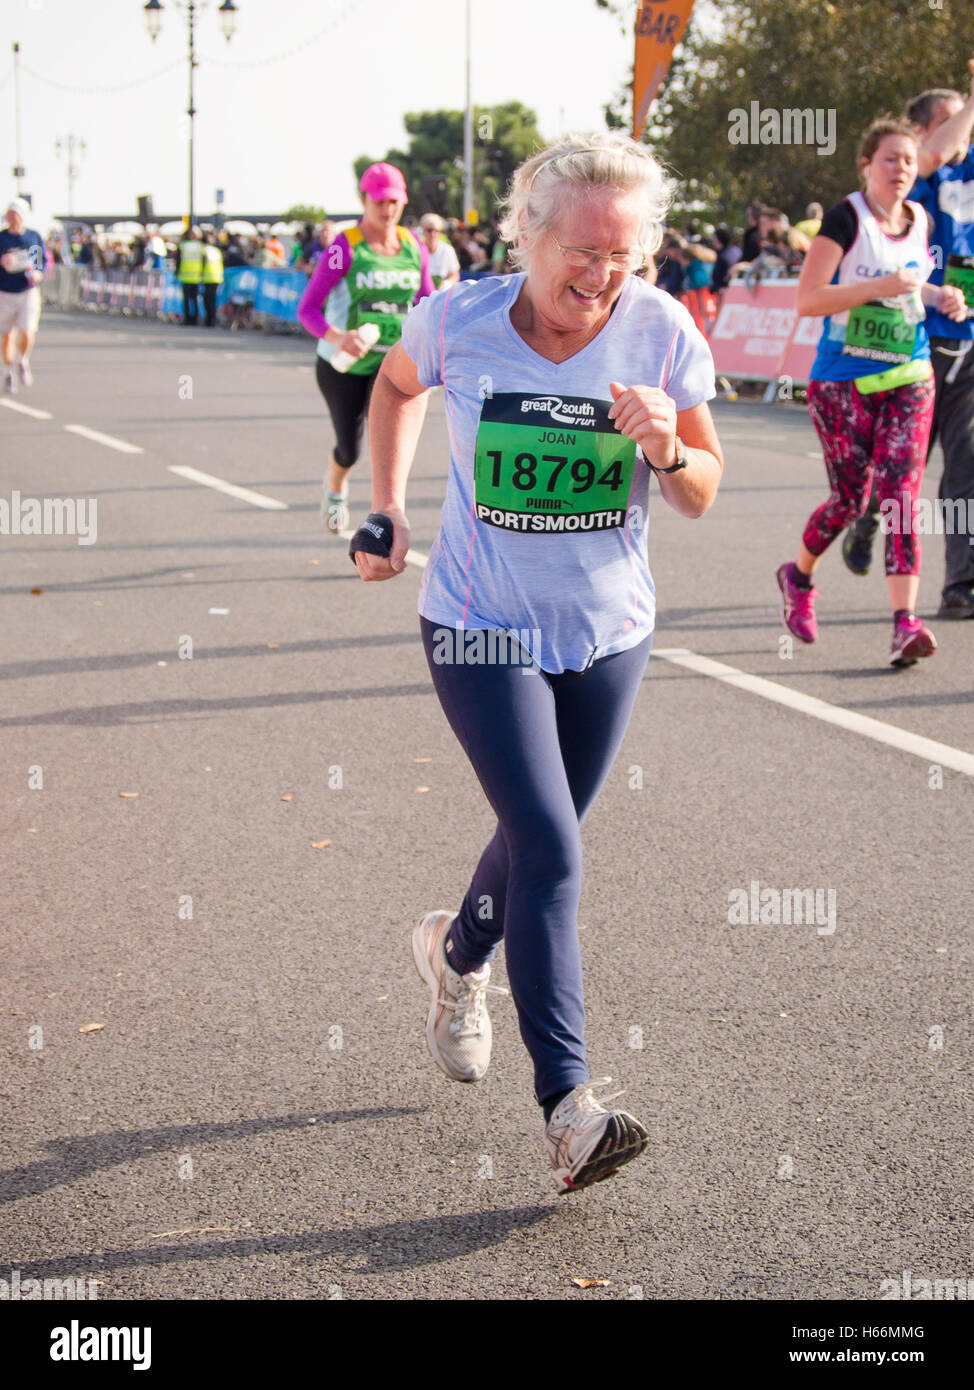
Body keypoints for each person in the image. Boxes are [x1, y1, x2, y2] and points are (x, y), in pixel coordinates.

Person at [351, 133, 722, 1192]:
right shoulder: (459, 319)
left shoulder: (660, 332)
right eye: (581, 249)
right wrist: (382, 504)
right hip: (477, 623)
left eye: (622, 253)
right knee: (551, 846)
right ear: (528, 234)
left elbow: (700, 490)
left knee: (532, 841)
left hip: (607, 630)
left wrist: (665, 447)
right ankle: (568, 1108)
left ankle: (453, 956)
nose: (600, 275)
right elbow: (391, 384)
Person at [776, 117, 966, 667]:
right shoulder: (844, 219)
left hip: (909, 374)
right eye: (890, 159)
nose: (901, 169)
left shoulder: (921, 219)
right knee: (848, 501)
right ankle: (798, 577)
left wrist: (941, 296)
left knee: (900, 497)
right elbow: (808, 300)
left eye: (909, 161)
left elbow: (911, 288)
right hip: (842, 382)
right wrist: (876, 289)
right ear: (866, 165)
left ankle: (905, 624)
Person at [845, 70, 974, 619]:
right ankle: (869, 517)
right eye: (951, 122)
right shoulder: (910, 178)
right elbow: (935, 153)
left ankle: (960, 584)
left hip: (967, 338)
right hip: (910, 339)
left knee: (967, 464)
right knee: (903, 467)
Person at [297, 162, 433, 532]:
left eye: (395, 202)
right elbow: (307, 309)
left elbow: (427, 300)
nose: (388, 210)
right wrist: (339, 337)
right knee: (350, 448)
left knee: (387, 444)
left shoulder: (411, 245)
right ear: (363, 200)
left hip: (393, 363)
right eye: (380, 202)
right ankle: (336, 487)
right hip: (342, 365)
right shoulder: (345, 247)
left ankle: (384, 519)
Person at [1, 197, 45, 393]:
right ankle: (8, 372)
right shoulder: (2, 238)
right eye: (9, 214)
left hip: (27, 291)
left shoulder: (32, 237)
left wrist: (36, 273)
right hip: (5, 291)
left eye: (15, 214)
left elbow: (37, 263)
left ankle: (22, 360)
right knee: (7, 334)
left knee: (27, 332)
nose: (12, 218)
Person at [419, 213, 460, 289]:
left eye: (437, 231)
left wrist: (446, 284)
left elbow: (454, 275)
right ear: (423, 231)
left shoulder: (448, 250)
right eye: (429, 230)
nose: (433, 234)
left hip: (441, 294)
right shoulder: (417, 250)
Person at [176, 225, 204, 326]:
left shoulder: (183, 245)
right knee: (194, 299)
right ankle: (195, 319)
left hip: (186, 276)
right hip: (196, 276)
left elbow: (178, 261)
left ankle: (188, 319)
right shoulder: (200, 246)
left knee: (187, 299)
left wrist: (177, 272)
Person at [200, 232, 224, 328]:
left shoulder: (203, 250)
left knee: (207, 300)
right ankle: (212, 319)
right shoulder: (216, 250)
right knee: (212, 300)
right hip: (216, 277)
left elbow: (202, 263)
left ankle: (209, 319)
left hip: (207, 277)